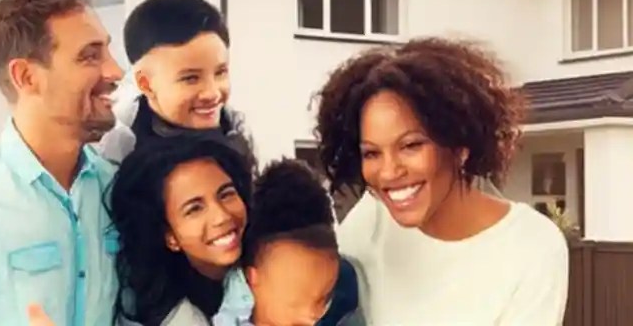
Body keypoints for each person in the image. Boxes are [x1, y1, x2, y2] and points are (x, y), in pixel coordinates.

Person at [313, 37, 569, 326]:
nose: (388, 172)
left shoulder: (531, 245)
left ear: (459, 146)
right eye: (371, 153)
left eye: (411, 146)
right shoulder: (369, 221)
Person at [0, 0, 124, 325]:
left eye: (106, 51)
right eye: (90, 56)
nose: (115, 71)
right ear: (26, 76)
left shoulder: (117, 190)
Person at [109, 132, 255, 325]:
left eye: (226, 194)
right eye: (195, 209)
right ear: (169, 236)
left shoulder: (275, 260)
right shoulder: (174, 317)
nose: (221, 216)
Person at [97, 0, 253, 164]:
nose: (212, 93)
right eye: (191, 78)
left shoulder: (234, 129)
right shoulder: (121, 151)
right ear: (146, 84)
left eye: (220, 72)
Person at [233, 159, 360, 326]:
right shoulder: (217, 312)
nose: (312, 315)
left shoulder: (343, 298)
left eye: (324, 298)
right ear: (251, 279)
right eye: (295, 302)